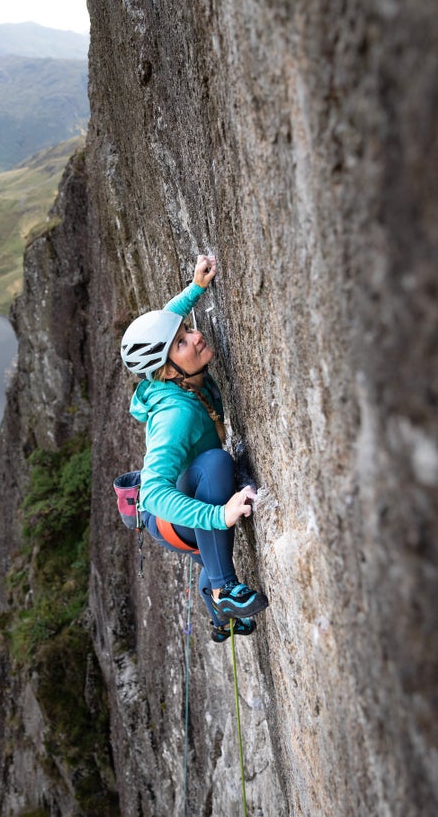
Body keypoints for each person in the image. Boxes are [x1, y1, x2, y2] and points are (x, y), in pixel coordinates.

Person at [120, 254, 268, 642]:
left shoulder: (175, 372)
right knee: (216, 463)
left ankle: (220, 618)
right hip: (171, 516)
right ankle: (225, 591)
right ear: (169, 371)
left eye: (187, 331)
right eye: (183, 342)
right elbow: (152, 494)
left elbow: (166, 325)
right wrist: (221, 514)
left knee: (210, 550)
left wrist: (195, 289)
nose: (195, 337)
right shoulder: (176, 415)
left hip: (180, 512)